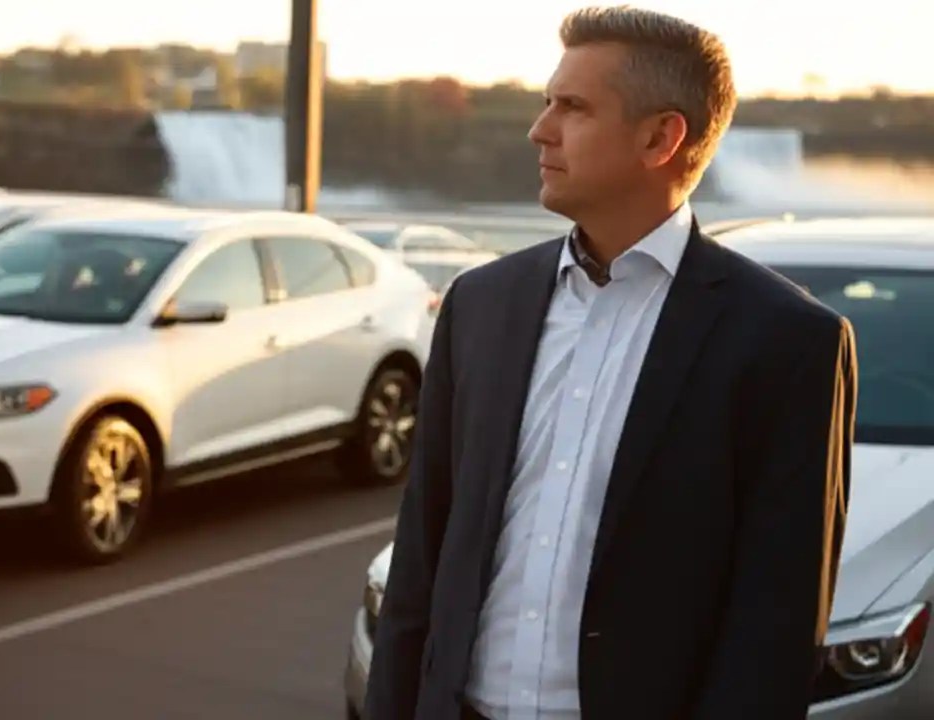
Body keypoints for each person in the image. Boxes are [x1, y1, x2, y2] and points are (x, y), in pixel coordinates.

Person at [364, 6, 858, 720]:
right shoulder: (479, 305)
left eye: (573, 108)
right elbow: (422, 559)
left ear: (661, 137)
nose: (540, 129)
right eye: (546, 103)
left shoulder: (787, 341)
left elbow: (774, 628)